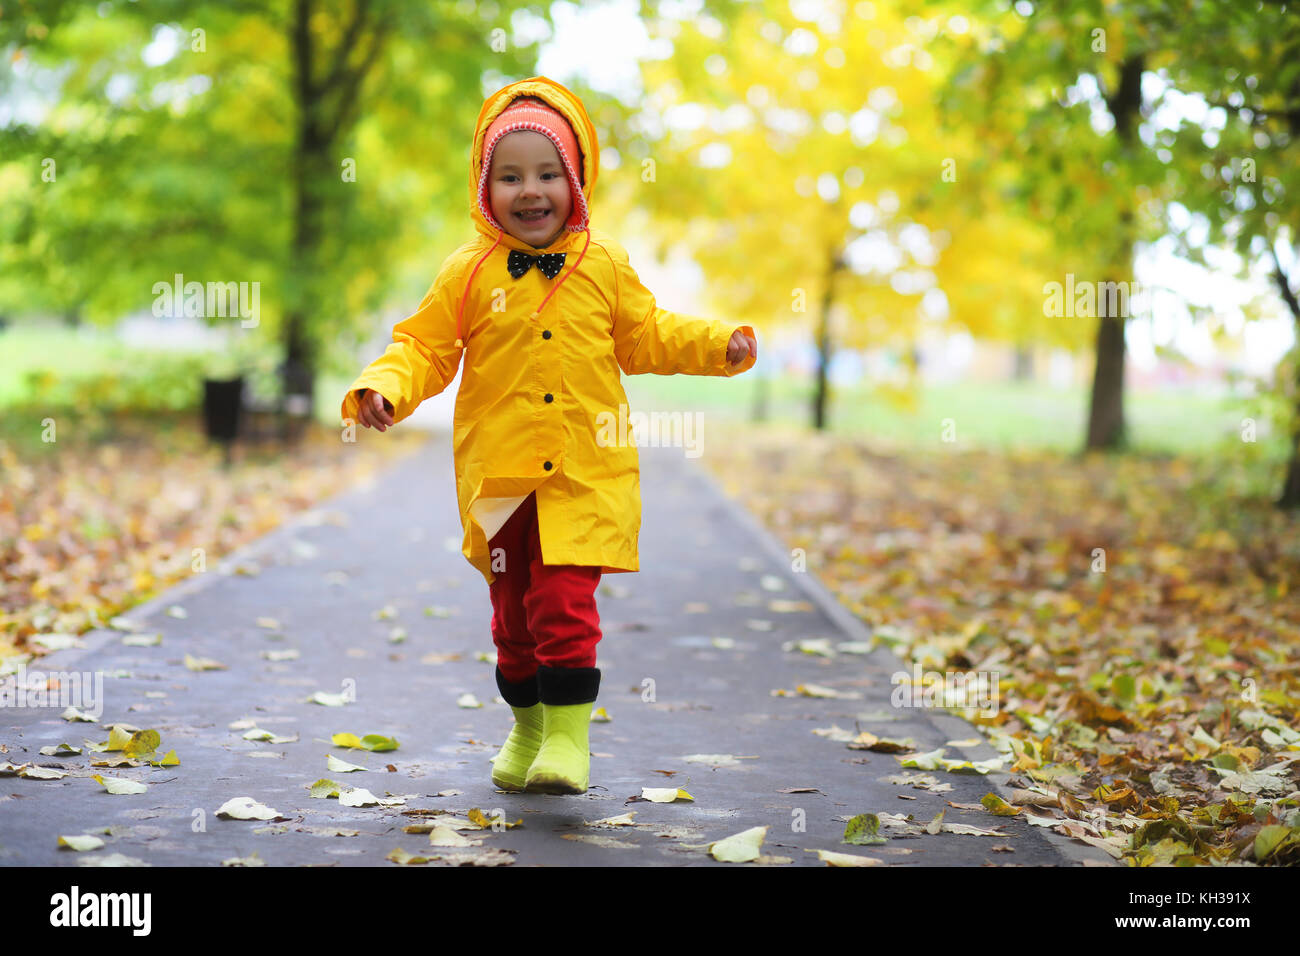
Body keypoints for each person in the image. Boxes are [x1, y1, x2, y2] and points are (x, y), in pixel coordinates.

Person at [340, 76, 757, 795]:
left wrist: (718, 344)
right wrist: (385, 386)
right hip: (500, 481)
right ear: (484, 185)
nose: (529, 191)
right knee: (513, 619)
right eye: (510, 176)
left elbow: (648, 336)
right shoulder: (466, 273)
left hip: (581, 475)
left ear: (577, 179)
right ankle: (527, 728)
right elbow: (426, 347)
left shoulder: (604, 265)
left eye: (546, 174)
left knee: (563, 605)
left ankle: (569, 742)